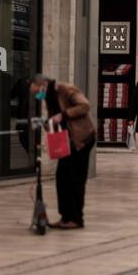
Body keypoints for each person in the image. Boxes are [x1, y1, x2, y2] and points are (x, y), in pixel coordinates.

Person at [30, 73, 96, 229]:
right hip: (67, 142)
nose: (37, 96)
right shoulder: (50, 96)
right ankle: (65, 216)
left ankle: (76, 219)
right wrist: (47, 124)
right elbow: (55, 119)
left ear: (43, 85)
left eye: (37, 91)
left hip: (82, 140)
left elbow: (84, 106)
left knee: (75, 179)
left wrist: (63, 115)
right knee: (62, 177)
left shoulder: (65, 89)